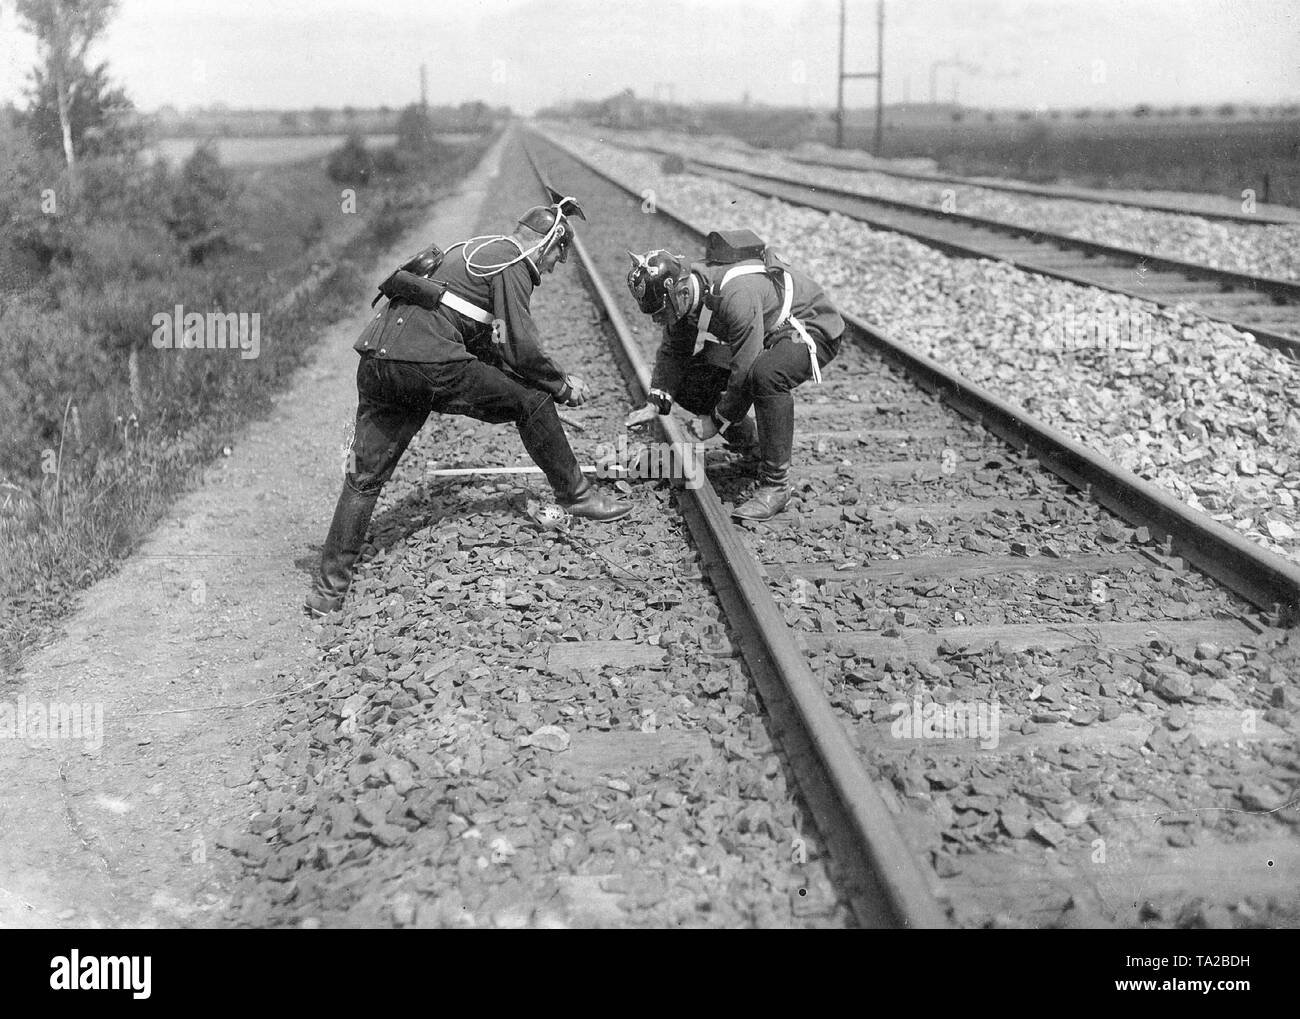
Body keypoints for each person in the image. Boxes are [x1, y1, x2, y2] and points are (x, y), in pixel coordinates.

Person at [306, 189, 630, 617]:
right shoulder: (514, 261)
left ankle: (327, 594)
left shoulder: (470, 254)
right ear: (547, 242)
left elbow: (475, 341)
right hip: (427, 364)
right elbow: (520, 346)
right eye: (557, 257)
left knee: (364, 478)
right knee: (532, 400)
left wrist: (529, 374)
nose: (554, 268)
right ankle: (577, 495)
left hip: (378, 360)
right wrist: (560, 385)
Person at [625, 230, 843, 521]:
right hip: (766, 332)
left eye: (660, 312)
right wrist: (656, 400)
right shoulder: (685, 291)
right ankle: (753, 448)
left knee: (766, 375)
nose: (656, 320)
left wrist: (716, 421)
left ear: (680, 291)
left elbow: (746, 366)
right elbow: (674, 350)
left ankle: (776, 487)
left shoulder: (734, 293)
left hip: (809, 326)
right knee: (690, 383)